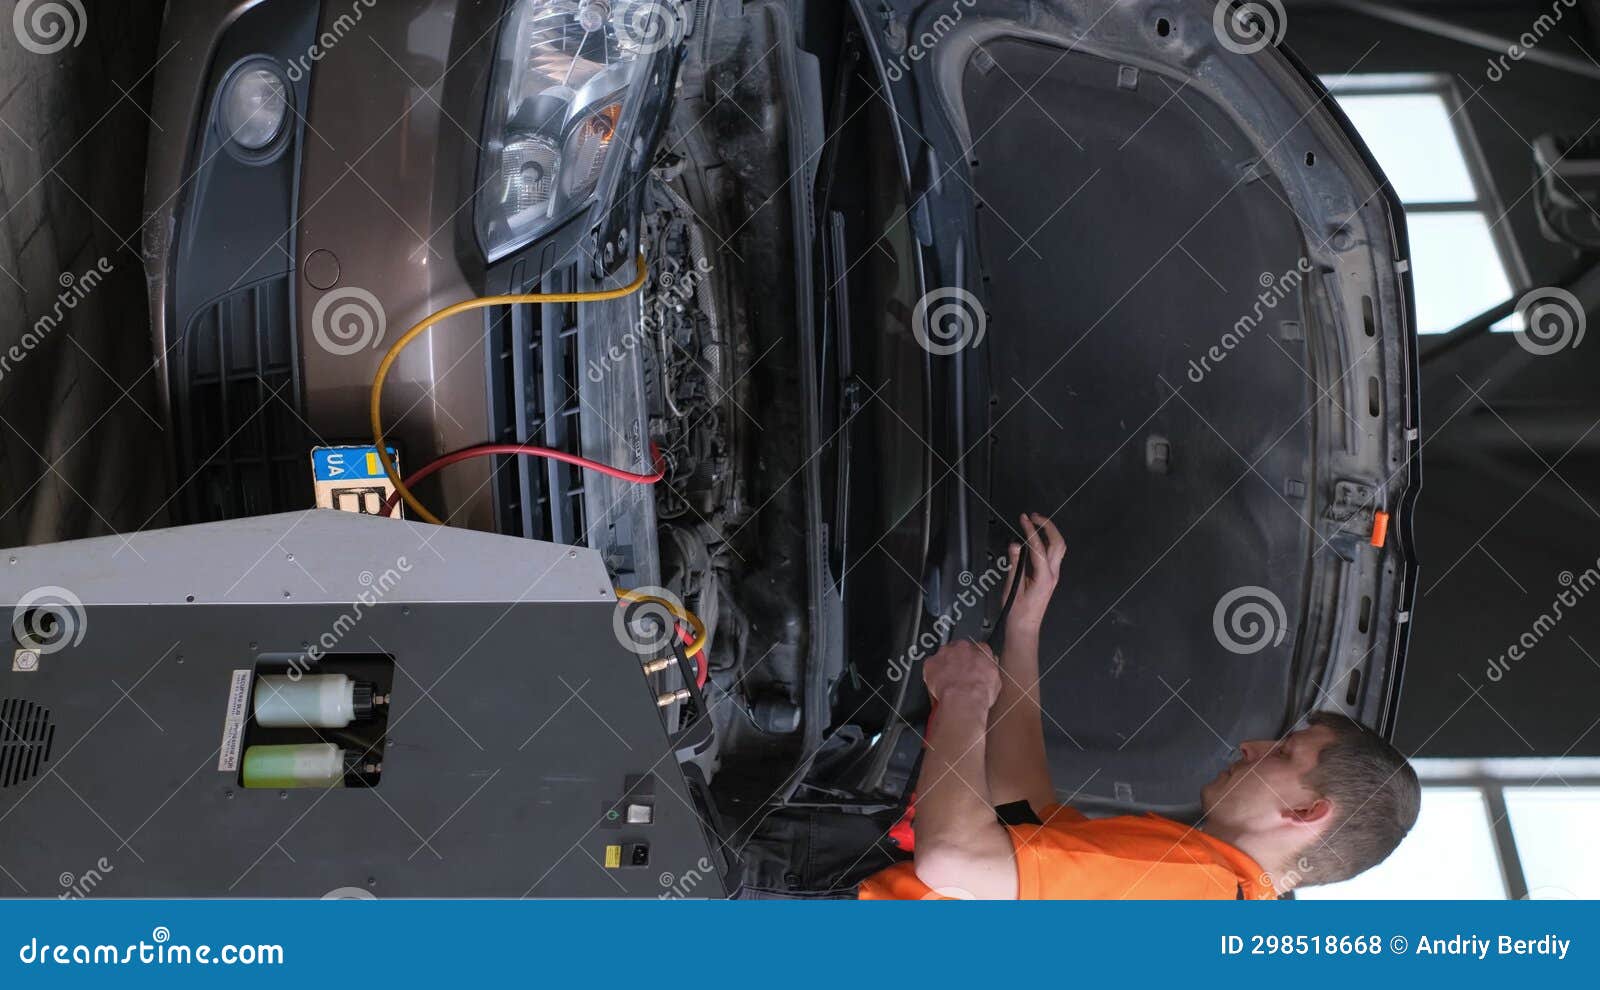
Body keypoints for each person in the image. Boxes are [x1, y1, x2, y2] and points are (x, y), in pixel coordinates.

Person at [858, 513, 1420, 899]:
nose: (1252, 747)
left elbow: (951, 856)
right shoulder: (1210, 897)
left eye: (1285, 754)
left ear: (1305, 812)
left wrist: (964, 697)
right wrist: (1022, 632)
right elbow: (1024, 812)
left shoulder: (1193, 886)